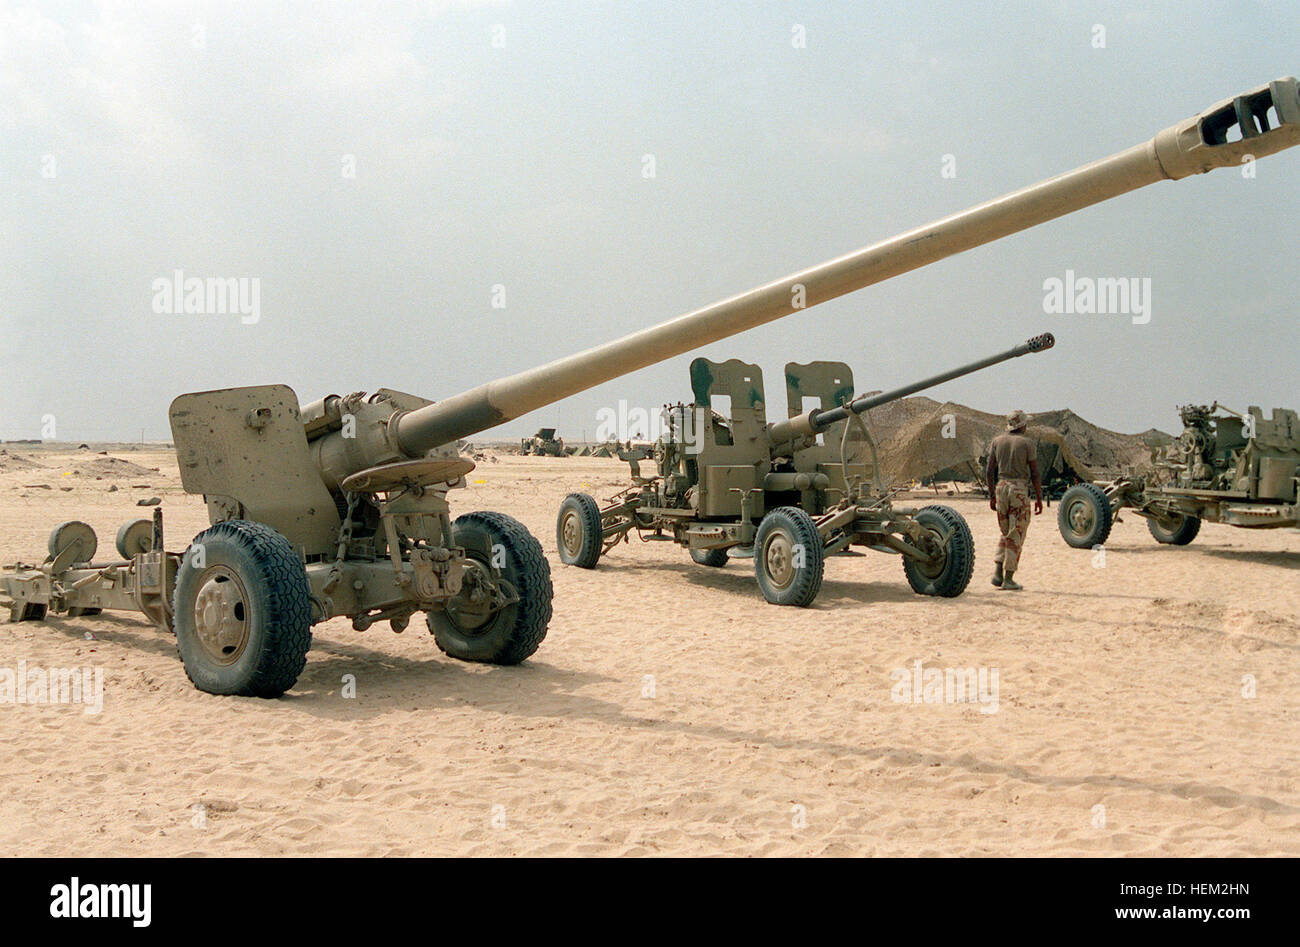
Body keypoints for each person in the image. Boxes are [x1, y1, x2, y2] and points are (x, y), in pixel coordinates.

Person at [986, 409, 1044, 591]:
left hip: (1001, 487)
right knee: (1016, 532)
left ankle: (997, 572)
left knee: (1005, 531)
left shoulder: (997, 441)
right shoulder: (1027, 444)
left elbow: (989, 471)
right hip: (1018, 488)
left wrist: (991, 495)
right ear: (1022, 425)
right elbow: (1034, 473)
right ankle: (1008, 578)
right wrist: (1039, 497)